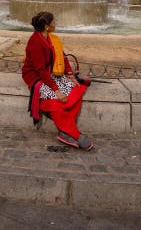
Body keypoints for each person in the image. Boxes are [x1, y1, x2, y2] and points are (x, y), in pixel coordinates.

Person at [21, 12, 92, 151]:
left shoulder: (52, 38)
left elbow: (63, 57)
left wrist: (70, 74)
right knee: (57, 101)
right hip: (36, 77)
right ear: (47, 27)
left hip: (50, 74)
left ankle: (64, 132)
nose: (56, 23)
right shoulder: (35, 42)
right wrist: (56, 90)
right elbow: (40, 70)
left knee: (76, 89)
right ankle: (73, 133)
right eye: (53, 22)